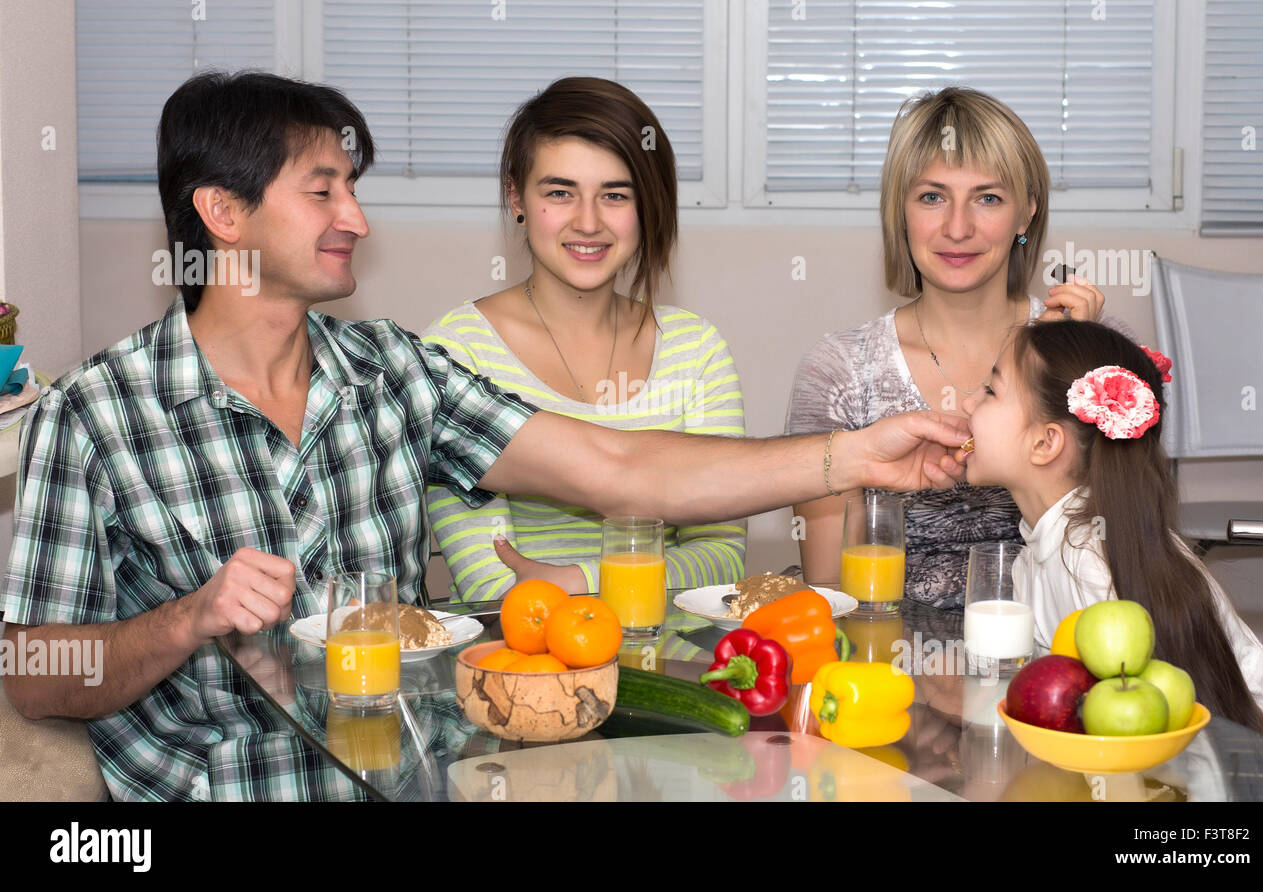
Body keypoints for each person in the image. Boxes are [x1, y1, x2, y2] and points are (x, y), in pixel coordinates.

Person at [0, 71, 971, 801]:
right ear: (221, 211)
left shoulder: (393, 372)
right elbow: (35, 673)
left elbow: (617, 465)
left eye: (353, 187)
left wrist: (849, 453)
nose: (357, 218)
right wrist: (187, 618)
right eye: (324, 190)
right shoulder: (94, 414)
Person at [787, 86, 1112, 609]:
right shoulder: (839, 369)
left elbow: (1119, 553)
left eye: (988, 198)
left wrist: (1079, 368)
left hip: (1057, 662)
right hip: (888, 670)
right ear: (902, 211)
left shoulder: (1089, 354)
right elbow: (831, 592)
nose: (957, 228)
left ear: (1026, 214)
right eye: (932, 197)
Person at [423, 77, 745, 601]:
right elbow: (494, 582)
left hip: (669, 661)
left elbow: (721, 558)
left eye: (615, 195)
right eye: (559, 193)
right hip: (520, 664)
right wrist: (636, 576)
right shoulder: (455, 353)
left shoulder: (696, 347)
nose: (588, 222)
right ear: (516, 197)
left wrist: (580, 579)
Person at [962, 320, 1263, 746]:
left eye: (990, 391)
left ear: (1045, 444)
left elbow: (1133, 733)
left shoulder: (1086, 565)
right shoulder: (1051, 542)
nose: (968, 402)